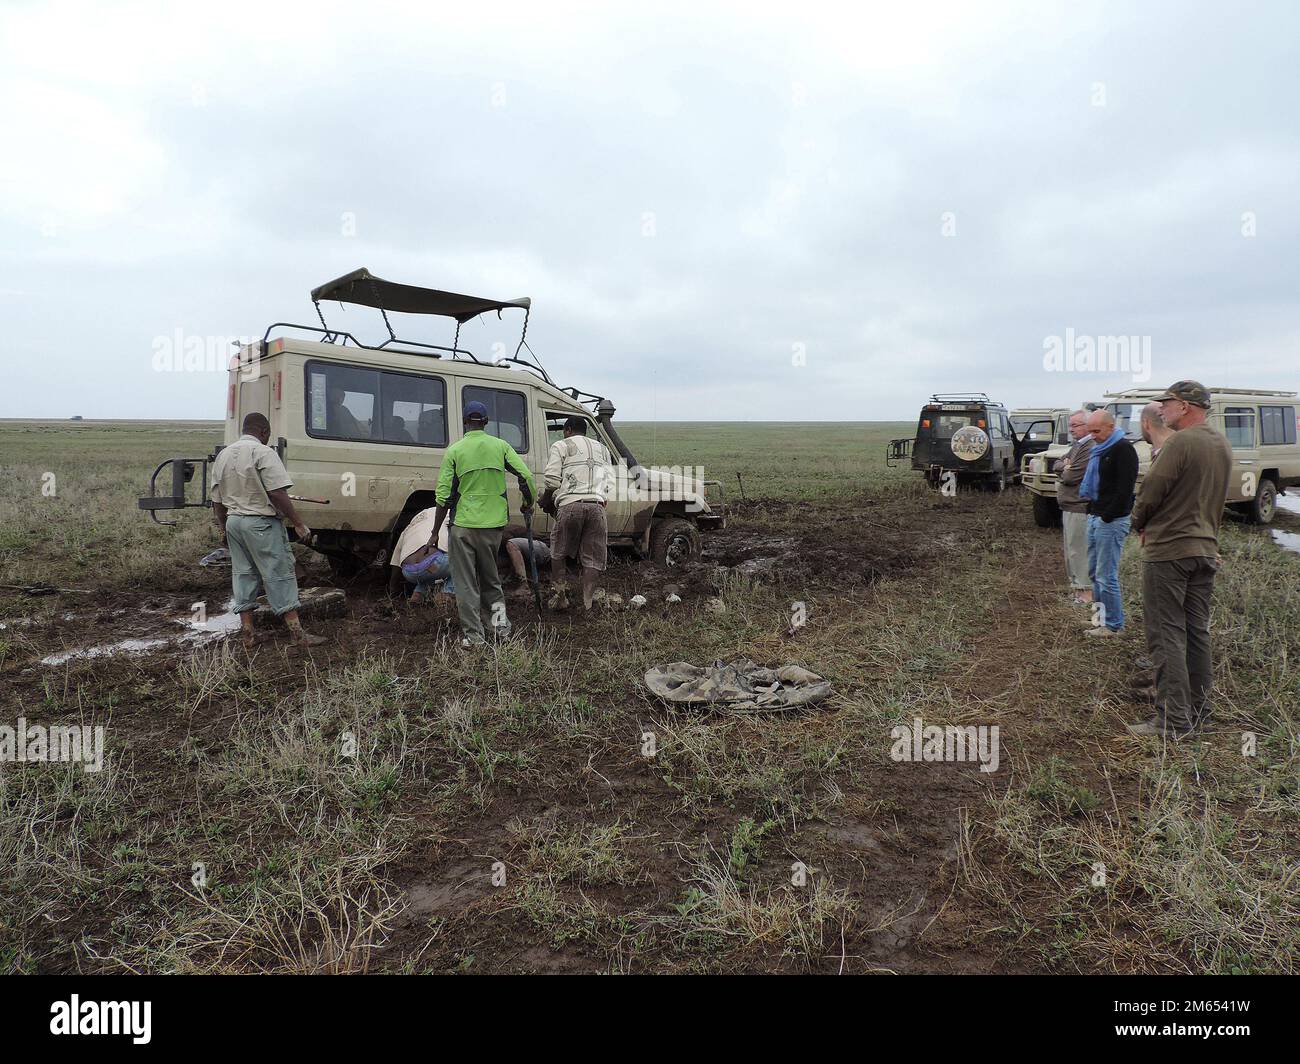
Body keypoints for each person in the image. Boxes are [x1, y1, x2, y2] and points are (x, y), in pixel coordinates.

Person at [1127, 381, 1233, 737]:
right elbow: (1218, 499)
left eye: (1167, 404)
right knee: (1196, 632)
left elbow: (1152, 491)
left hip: (1170, 551)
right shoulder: (1220, 443)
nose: (1162, 410)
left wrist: (1137, 522)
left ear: (1185, 406)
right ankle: (1200, 711)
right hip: (1204, 548)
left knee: (1166, 633)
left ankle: (1172, 720)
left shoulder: (1180, 442)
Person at [210, 412, 325, 648]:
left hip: (234, 522)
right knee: (279, 574)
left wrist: (223, 528)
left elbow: (217, 501)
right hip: (260, 523)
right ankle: (298, 636)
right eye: (268, 433)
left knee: (243, 574)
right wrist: (298, 522)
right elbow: (276, 493)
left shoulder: (223, 455)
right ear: (263, 431)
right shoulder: (263, 452)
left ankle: (248, 635)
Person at [431, 401, 536, 647]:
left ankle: (474, 637)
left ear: (465, 422)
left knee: (466, 584)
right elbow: (526, 476)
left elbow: (443, 496)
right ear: (486, 422)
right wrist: (528, 502)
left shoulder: (455, 451)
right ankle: (501, 629)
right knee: (492, 581)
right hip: (492, 528)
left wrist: (435, 531)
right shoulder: (500, 446)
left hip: (463, 527)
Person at [543, 417, 615, 611]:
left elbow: (551, 480)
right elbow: (609, 481)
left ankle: (560, 597)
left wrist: (546, 499)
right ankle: (587, 604)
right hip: (597, 507)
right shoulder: (603, 449)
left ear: (567, 430)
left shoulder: (561, 445)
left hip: (570, 506)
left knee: (558, 551)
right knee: (592, 559)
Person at [1079, 409, 1138, 638]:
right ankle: (1100, 620)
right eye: (1090, 430)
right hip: (1096, 516)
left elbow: (1125, 489)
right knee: (1094, 573)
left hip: (1111, 521)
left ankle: (1114, 625)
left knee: (1106, 575)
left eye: (1097, 430)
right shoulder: (1098, 450)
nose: (1092, 435)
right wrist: (1093, 512)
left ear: (1111, 427)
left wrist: (1107, 515)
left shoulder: (1123, 449)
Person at [1054, 410, 1094, 605]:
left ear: (1088, 425)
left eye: (1075, 425)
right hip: (1070, 505)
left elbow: (1071, 477)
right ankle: (1078, 591)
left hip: (1079, 506)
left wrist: (1066, 469)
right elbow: (1057, 463)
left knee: (1079, 550)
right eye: (1070, 425)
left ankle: (1086, 594)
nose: (1071, 429)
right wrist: (1065, 466)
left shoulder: (1089, 447)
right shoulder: (1078, 446)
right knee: (1071, 550)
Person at [388, 506, 454, 604]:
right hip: (435, 565)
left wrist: (392, 592)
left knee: (429, 571)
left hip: (409, 572)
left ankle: (418, 594)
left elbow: (396, 565)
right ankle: (446, 593)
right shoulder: (449, 514)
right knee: (467, 562)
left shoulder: (408, 528)